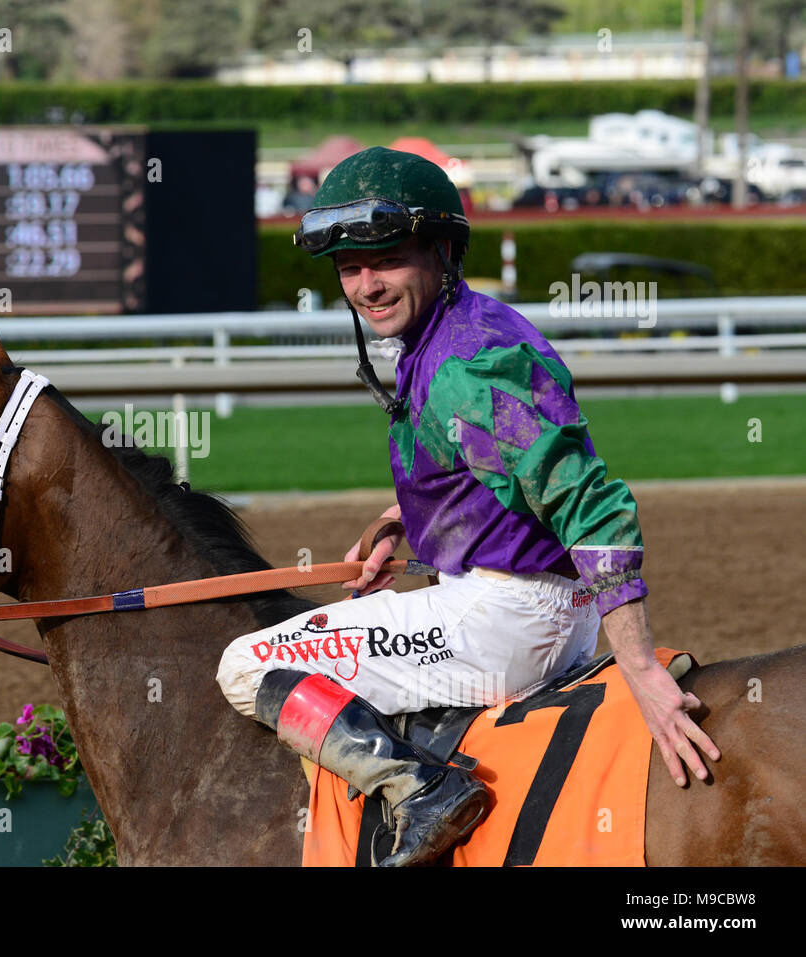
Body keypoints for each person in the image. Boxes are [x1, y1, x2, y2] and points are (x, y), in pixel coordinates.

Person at [216, 146, 721, 866]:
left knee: (245, 664)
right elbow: (485, 466)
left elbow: (593, 503)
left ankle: (423, 789)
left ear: (442, 251)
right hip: (535, 610)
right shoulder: (458, 331)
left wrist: (640, 666)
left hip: (506, 623)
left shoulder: (465, 368)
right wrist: (404, 518)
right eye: (350, 268)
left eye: (386, 258)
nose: (366, 284)